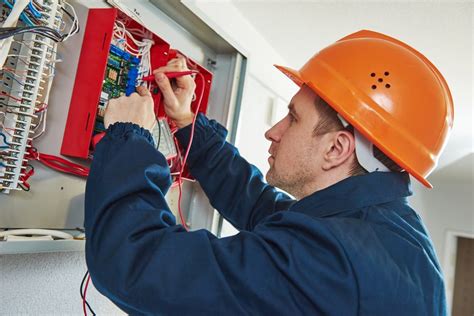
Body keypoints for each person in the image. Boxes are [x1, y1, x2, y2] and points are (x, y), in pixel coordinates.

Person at [85, 30, 453, 315]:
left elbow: (134, 264)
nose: (273, 131)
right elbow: (262, 207)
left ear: (336, 149)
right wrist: (187, 125)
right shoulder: (382, 231)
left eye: (293, 118)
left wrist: (128, 138)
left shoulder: (332, 262)